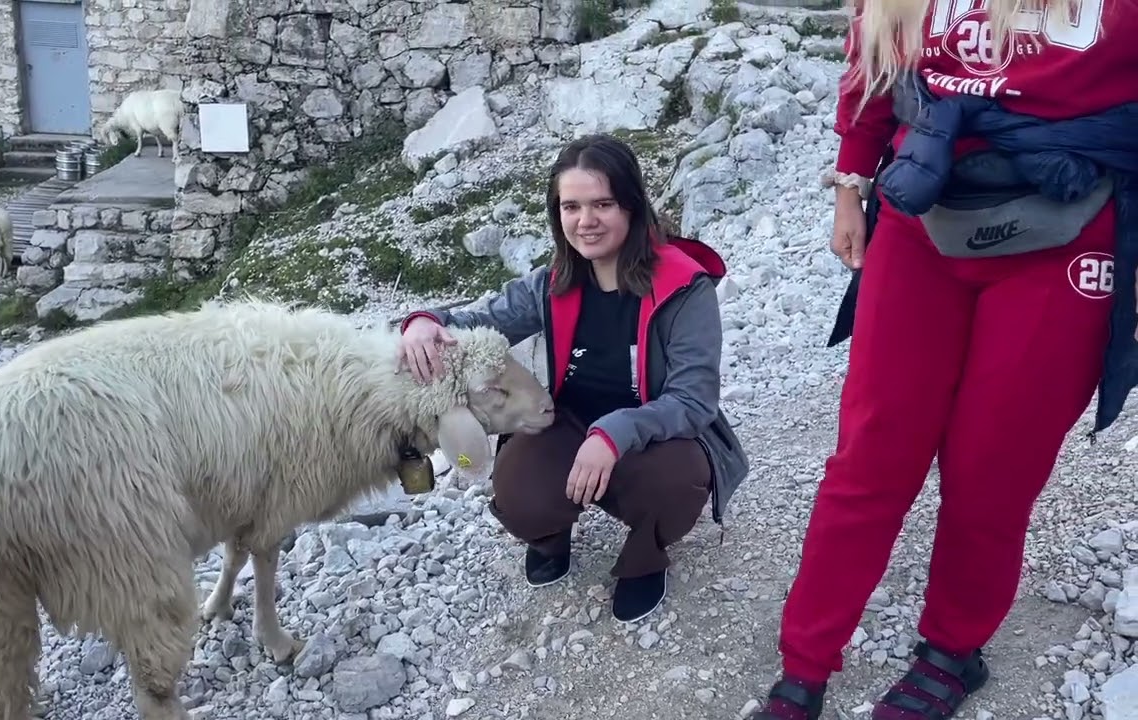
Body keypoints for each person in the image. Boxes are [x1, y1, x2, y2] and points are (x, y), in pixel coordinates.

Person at [753, 0, 1138, 718]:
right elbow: (874, 65)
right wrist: (849, 184)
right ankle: (805, 661)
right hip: (921, 214)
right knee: (871, 451)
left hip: (1067, 229)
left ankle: (953, 651)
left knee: (995, 464)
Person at [396, 133, 750, 623]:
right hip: (567, 423)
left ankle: (644, 558)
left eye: (602, 203)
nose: (586, 221)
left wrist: (613, 434)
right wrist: (422, 322)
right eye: (571, 206)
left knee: (675, 485)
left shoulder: (683, 287)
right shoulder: (554, 281)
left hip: (654, 437)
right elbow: (477, 319)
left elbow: (694, 401)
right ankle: (549, 532)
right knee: (518, 492)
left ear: (631, 205)